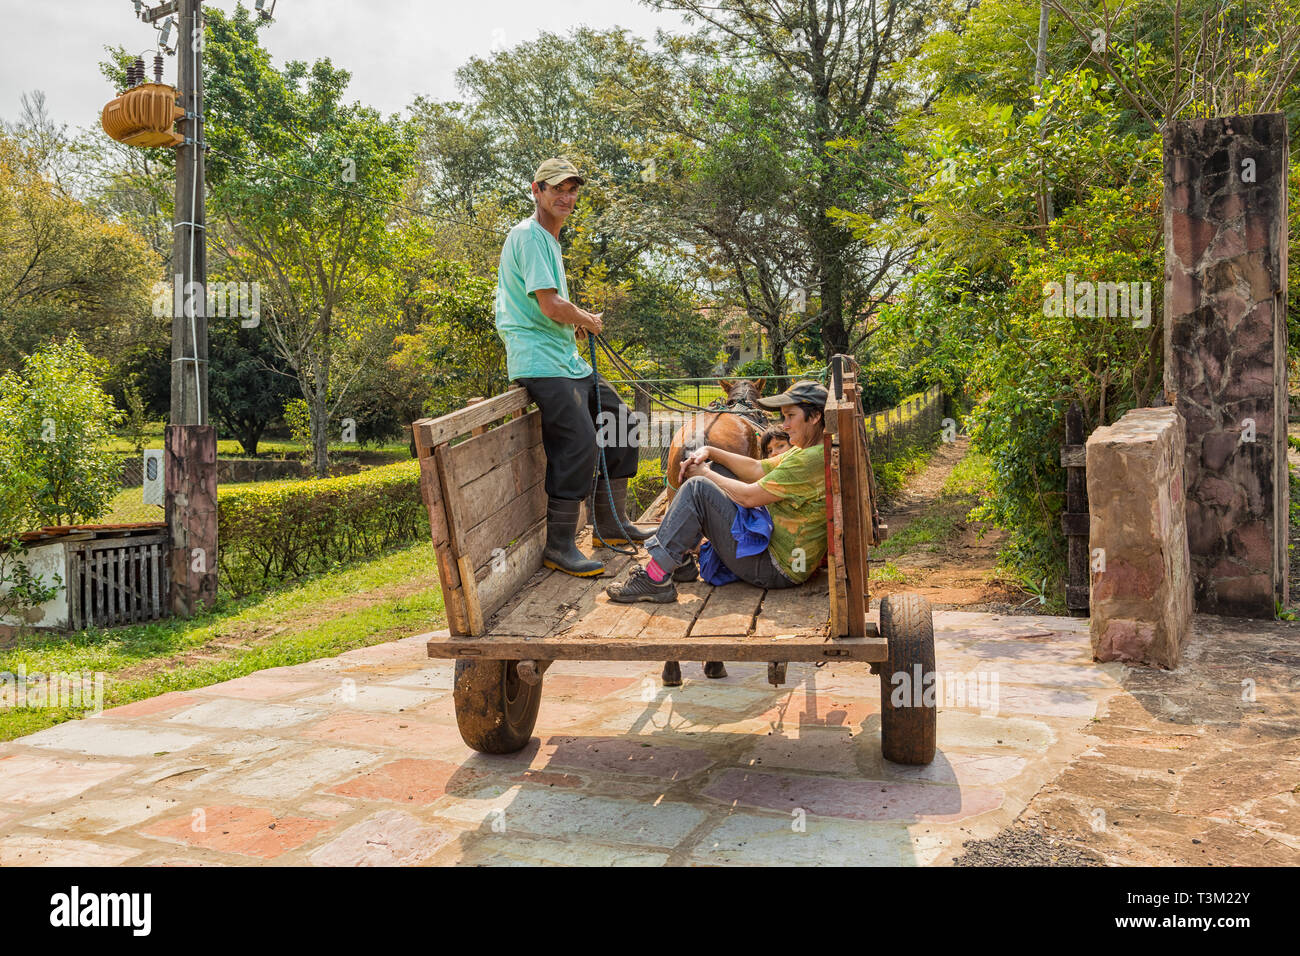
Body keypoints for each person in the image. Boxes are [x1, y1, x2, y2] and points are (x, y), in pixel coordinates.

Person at [494, 157, 656, 578]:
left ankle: (610, 526)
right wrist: (585, 318)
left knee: (620, 421)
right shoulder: (529, 235)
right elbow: (549, 305)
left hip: (565, 358)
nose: (565, 196)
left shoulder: (550, 241)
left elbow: (547, 308)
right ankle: (560, 545)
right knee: (580, 441)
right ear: (536, 190)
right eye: (556, 188)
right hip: (540, 361)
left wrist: (574, 326)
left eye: (572, 189)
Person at [605, 380, 829, 603]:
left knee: (697, 488)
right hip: (772, 548)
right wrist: (710, 451)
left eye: (791, 416)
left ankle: (654, 578)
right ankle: (679, 561)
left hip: (775, 567)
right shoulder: (807, 451)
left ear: (816, 416)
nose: (785, 424)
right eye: (784, 417)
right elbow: (756, 468)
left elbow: (749, 497)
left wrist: (705, 474)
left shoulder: (809, 460)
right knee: (718, 474)